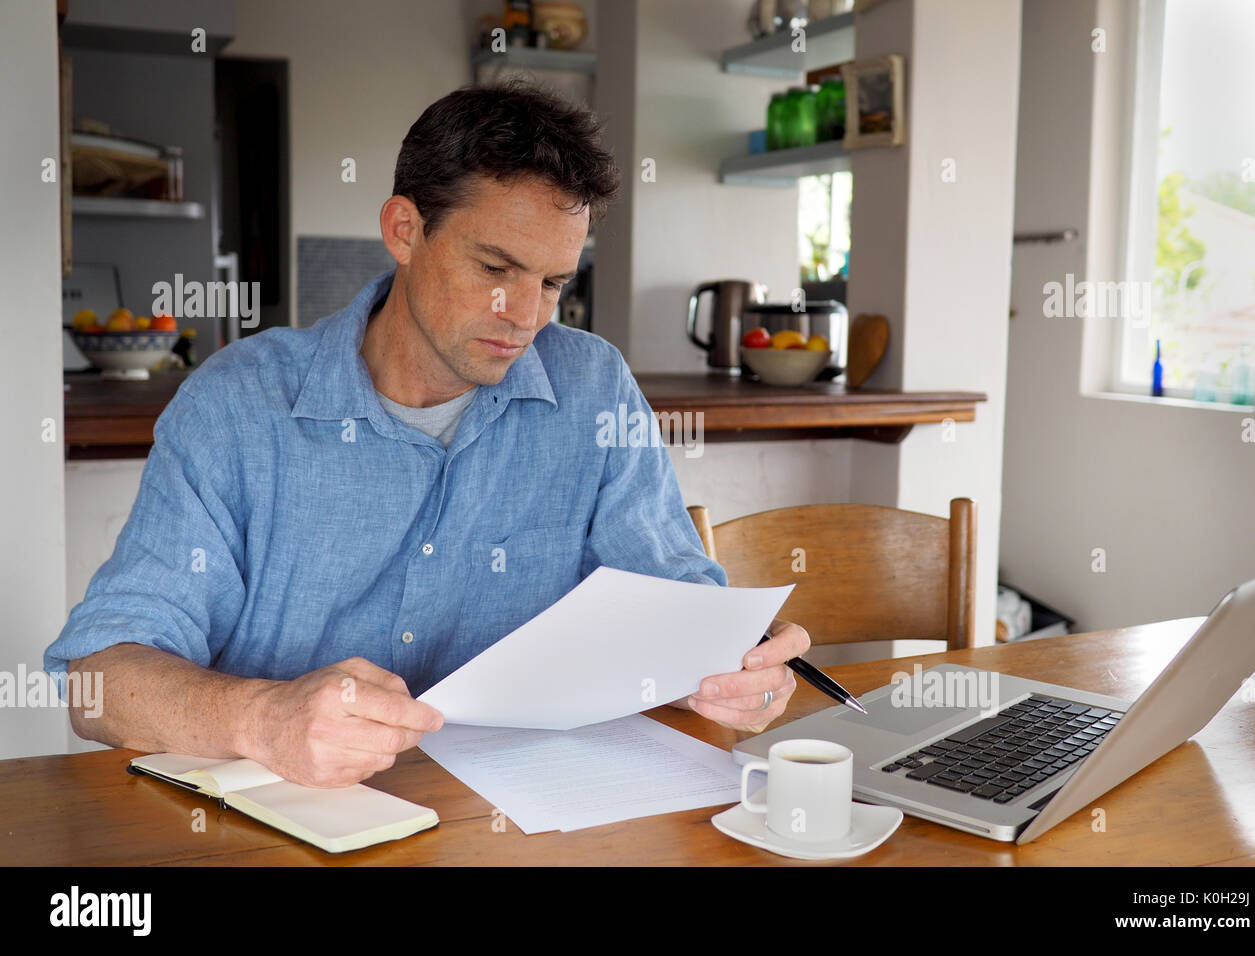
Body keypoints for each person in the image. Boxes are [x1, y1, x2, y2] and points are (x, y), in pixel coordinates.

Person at [45, 81, 810, 788]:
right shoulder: (238, 405)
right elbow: (96, 683)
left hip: (524, 823)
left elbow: (676, 613)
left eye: (553, 283)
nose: (528, 316)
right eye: (496, 268)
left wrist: (735, 672)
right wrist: (263, 719)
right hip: (280, 826)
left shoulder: (593, 389)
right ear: (404, 229)